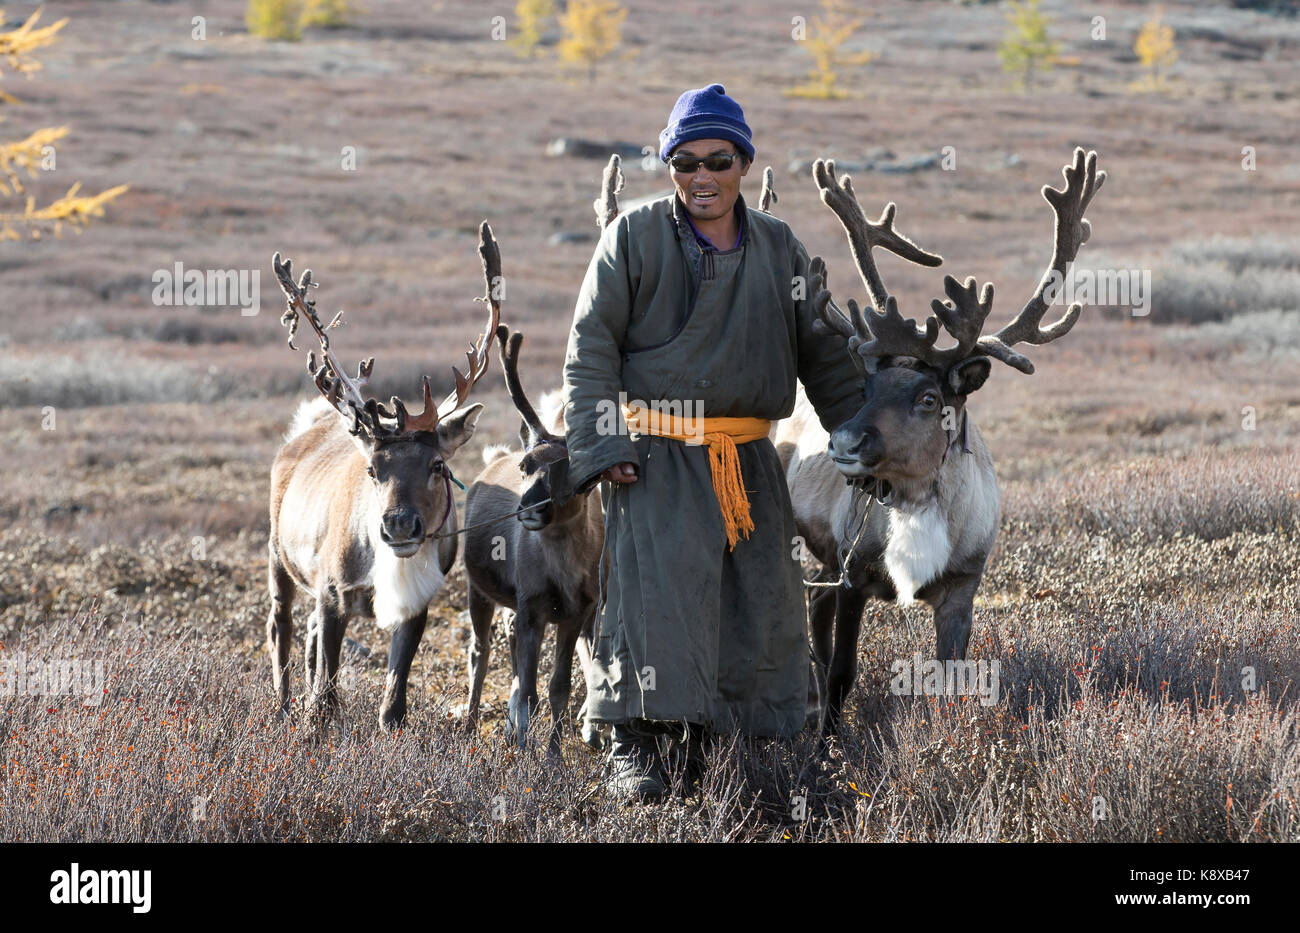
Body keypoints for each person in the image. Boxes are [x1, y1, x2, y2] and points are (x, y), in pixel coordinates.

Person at [561, 83, 864, 801]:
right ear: (669, 166)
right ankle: (634, 748)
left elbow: (824, 351)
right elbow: (590, 350)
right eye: (684, 161)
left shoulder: (779, 248)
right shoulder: (631, 239)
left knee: (757, 602)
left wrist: (859, 431)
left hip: (749, 462)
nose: (702, 176)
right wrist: (604, 448)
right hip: (655, 459)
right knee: (652, 604)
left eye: (718, 160)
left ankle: (731, 747)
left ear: (743, 161)